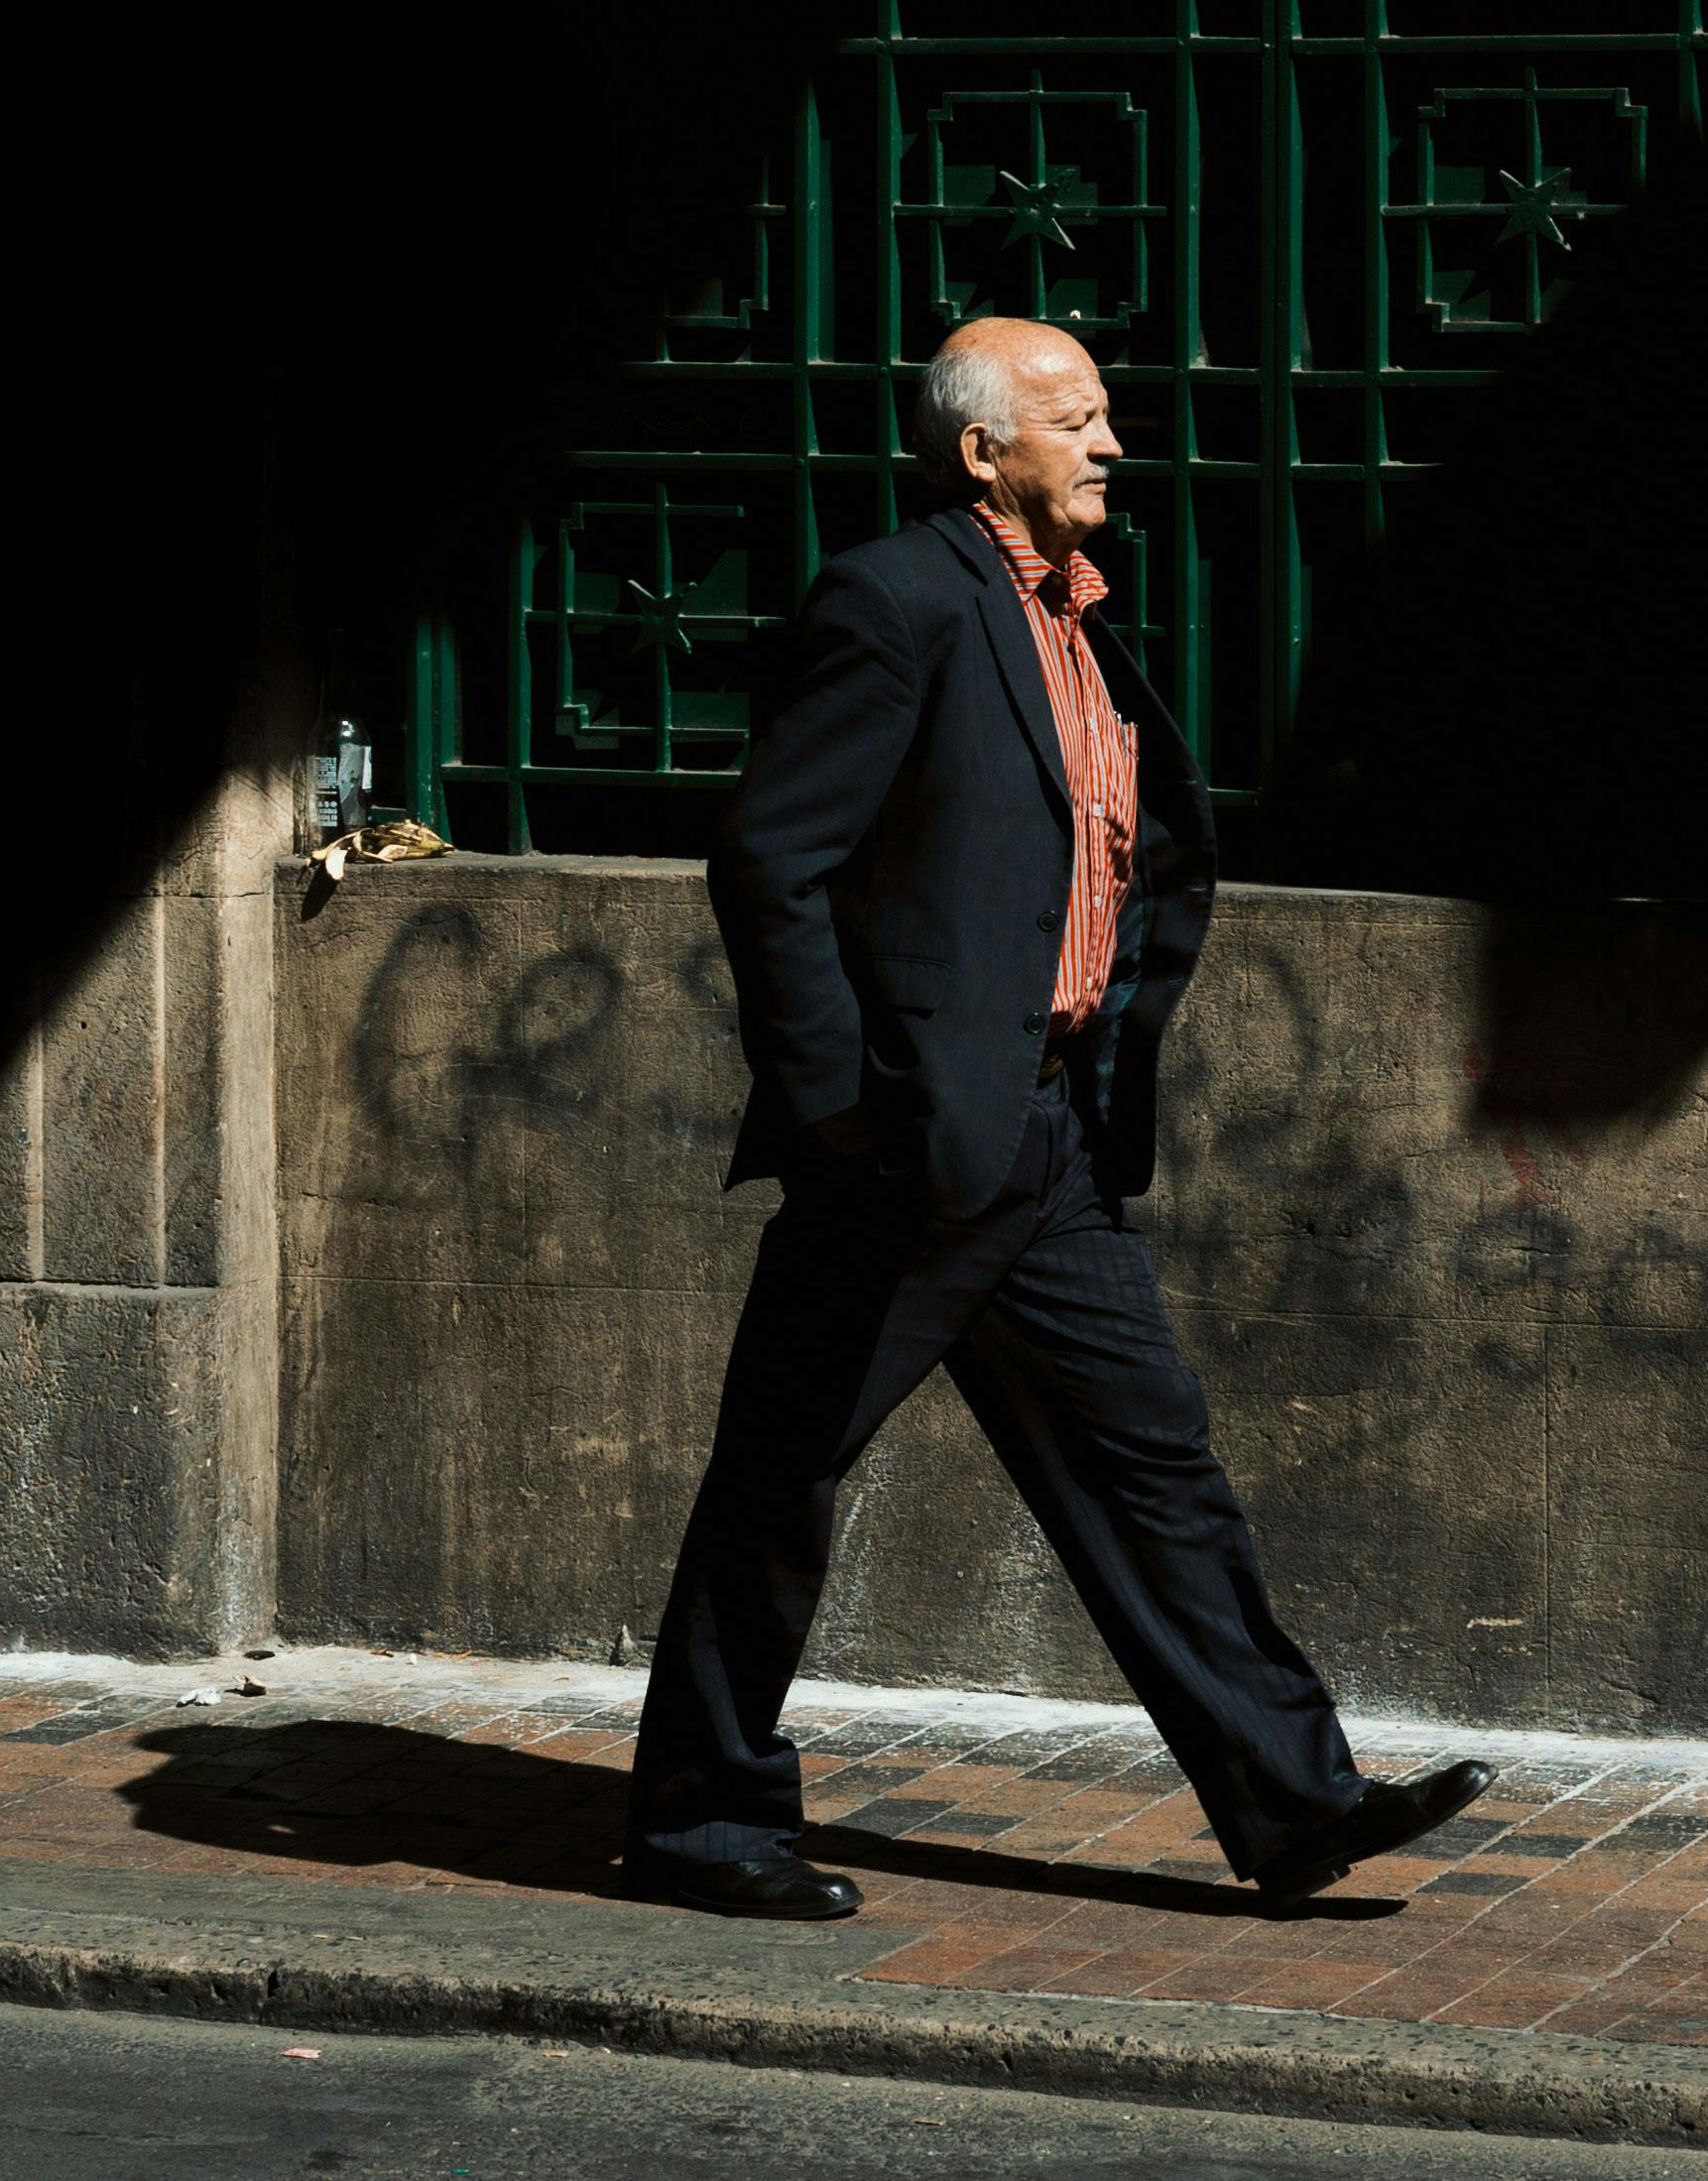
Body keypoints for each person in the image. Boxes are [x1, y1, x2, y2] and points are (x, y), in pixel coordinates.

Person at [623, 315, 1491, 1919]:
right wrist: (839, 1112)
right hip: (906, 1147)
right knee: (783, 1474)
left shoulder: (1072, 617)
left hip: (1048, 1140)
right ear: (980, 453)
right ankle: (697, 1820)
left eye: (1106, 417)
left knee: (1152, 1469)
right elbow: (770, 858)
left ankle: (1292, 1802)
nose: (1109, 444)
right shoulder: (893, 605)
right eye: (1074, 420)